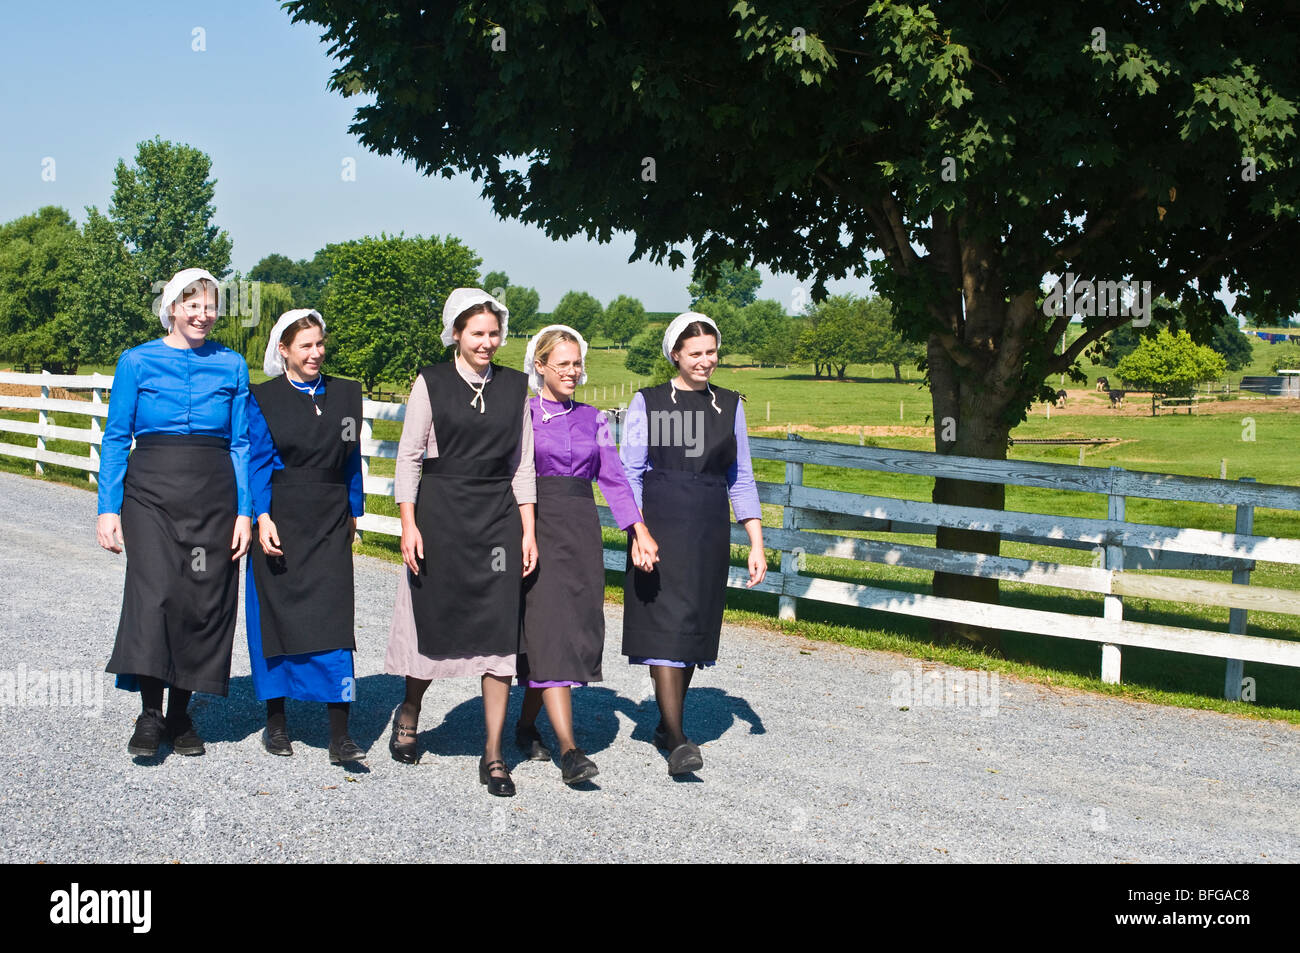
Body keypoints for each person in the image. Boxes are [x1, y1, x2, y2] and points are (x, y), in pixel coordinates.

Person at [384, 288, 537, 797]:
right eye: (478, 333)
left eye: (494, 333)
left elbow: (523, 465)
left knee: (499, 634)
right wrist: (409, 522)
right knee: (435, 617)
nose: (488, 342)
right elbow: (408, 457)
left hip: (498, 519)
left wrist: (529, 530)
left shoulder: (517, 387)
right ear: (456, 334)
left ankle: (493, 753)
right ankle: (410, 709)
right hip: (440, 514)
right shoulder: (430, 382)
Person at [96, 268, 252, 758]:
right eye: (193, 305)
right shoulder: (137, 362)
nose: (203, 315)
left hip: (213, 495)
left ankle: (181, 712)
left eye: (210, 306)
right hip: (150, 495)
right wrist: (108, 508)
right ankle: (150, 713)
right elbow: (117, 438)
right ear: (172, 307)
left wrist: (244, 512)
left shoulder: (232, 364)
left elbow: (243, 444)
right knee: (156, 595)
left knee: (200, 599)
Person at [620, 312, 766, 776]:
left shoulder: (731, 405)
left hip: (707, 528)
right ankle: (679, 739)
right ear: (675, 354)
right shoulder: (649, 402)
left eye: (711, 352)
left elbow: (741, 478)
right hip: (658, 526)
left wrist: (756, 542)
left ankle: (667, 724)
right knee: (664, 625)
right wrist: (637, 531)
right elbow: (630, 473)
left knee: (689, 628)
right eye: (695, 353)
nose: (705, 361)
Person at [513, 325, 660, 786]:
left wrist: (639, 531)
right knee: (547, 630)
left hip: (580, 530)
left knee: (572, 630)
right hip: (533, 528)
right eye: (564, 364)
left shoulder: (594, 418)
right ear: (540, 367)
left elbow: (614, 479)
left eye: (578, 363)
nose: (574, 372)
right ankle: (570, 750)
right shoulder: (522, 415)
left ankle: (523, 725)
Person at [246, 309, 366, 764]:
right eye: (306, 345)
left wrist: (355, 510)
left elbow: (351, 457)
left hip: (331, 518)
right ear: (284, 351)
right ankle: (276, 723)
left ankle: (341, 735)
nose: (316, 353)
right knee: (274, 621)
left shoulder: (346, 395)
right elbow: (256, 460)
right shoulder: (264, 398)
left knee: (335, 623)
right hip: (281, 517)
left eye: (320, 344)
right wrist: (261, 515)